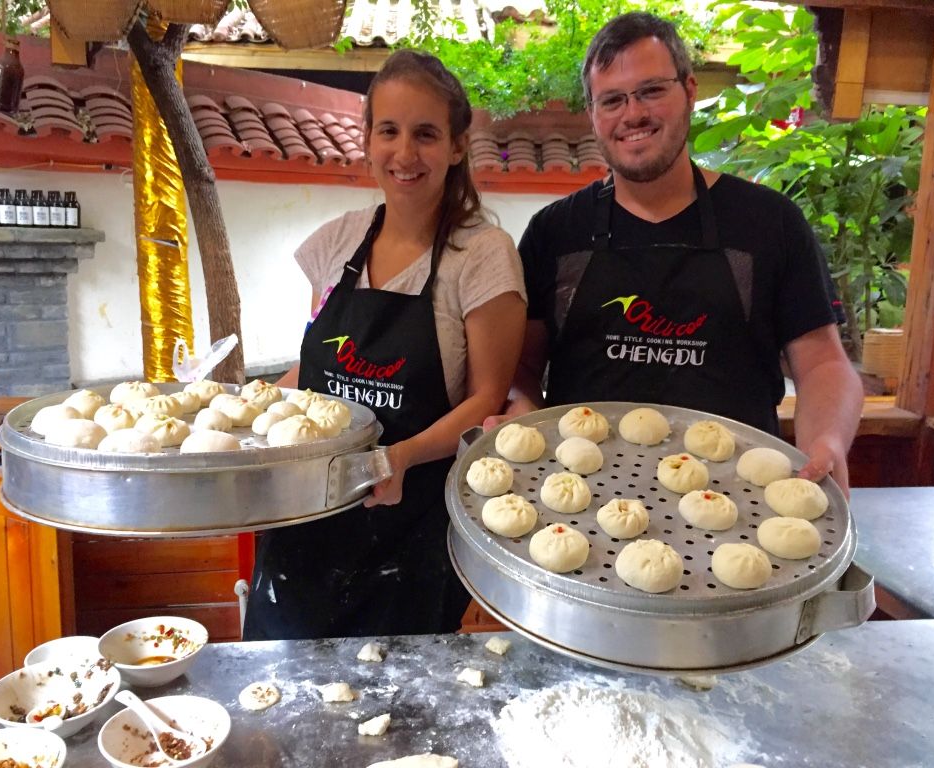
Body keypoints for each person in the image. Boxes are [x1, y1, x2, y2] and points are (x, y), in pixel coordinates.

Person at [499, 12, 862, 493]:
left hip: (738, 501)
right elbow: (521, 366)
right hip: (583, 496)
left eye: (652, 91)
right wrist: (520, 406)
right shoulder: (556, 231)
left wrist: (829, 440)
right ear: (593, 114)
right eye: (612, 100)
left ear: (689, 90)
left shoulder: (769, 223)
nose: (633, 114)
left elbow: (822, 364)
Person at [242, 50, 527, 640]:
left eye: (425, 134)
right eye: (389, 131)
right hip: (305, 521)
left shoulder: (482, 256)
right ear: (368, 139)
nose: (404, 153)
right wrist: (254, 413)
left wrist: (395, 458)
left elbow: (486, 399)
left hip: (412, 529)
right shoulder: (336, 242)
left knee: (396, 711)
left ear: (455, 146)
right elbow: (319, 371)